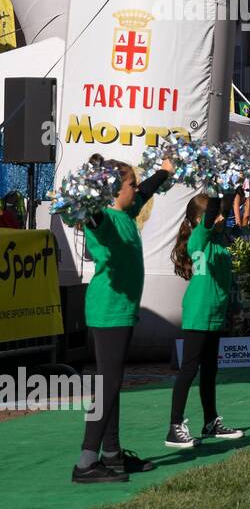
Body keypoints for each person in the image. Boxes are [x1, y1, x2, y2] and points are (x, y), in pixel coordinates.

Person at [73, 154, 174, 484]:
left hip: (119, 311)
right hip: (109, 311)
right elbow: (92, 218)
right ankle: (87, 461)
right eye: (130, 183)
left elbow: (144, 191)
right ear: (115, 191)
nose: (135, 188)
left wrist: (163, 172)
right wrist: (86, 194)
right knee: (108, 385)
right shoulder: (104, 220)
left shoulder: (126, 211)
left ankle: (113, 455)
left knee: (112, 382)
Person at [167, 190, 244, 448]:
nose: (223, 217)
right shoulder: (201, 236)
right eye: (218, 213)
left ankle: (210, 422)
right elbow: (212, 213)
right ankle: (174, 427)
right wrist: (221, 185)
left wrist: (234, 182)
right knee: (189, 369)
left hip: (214, 312)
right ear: (201, 220)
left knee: (210, 370)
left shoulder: (217, 240)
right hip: (199, 311)